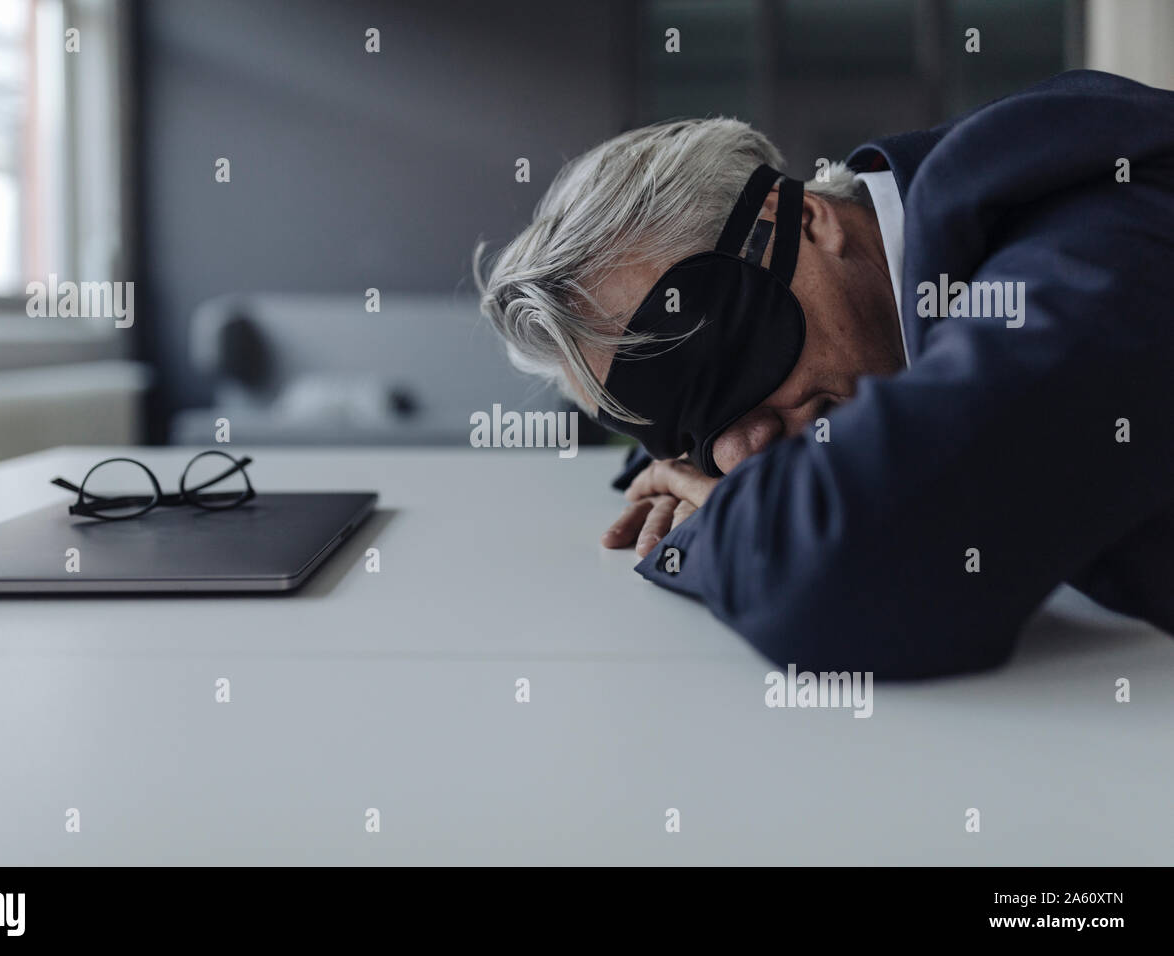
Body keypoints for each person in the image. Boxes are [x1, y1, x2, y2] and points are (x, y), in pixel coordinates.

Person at [473, 70, 1174, 679]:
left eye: (723, 364)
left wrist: (724, 520)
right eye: (690, 439)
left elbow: (841, 563)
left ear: (801, 218)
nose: (740, 452)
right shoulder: (885, 302)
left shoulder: (1099, 241)